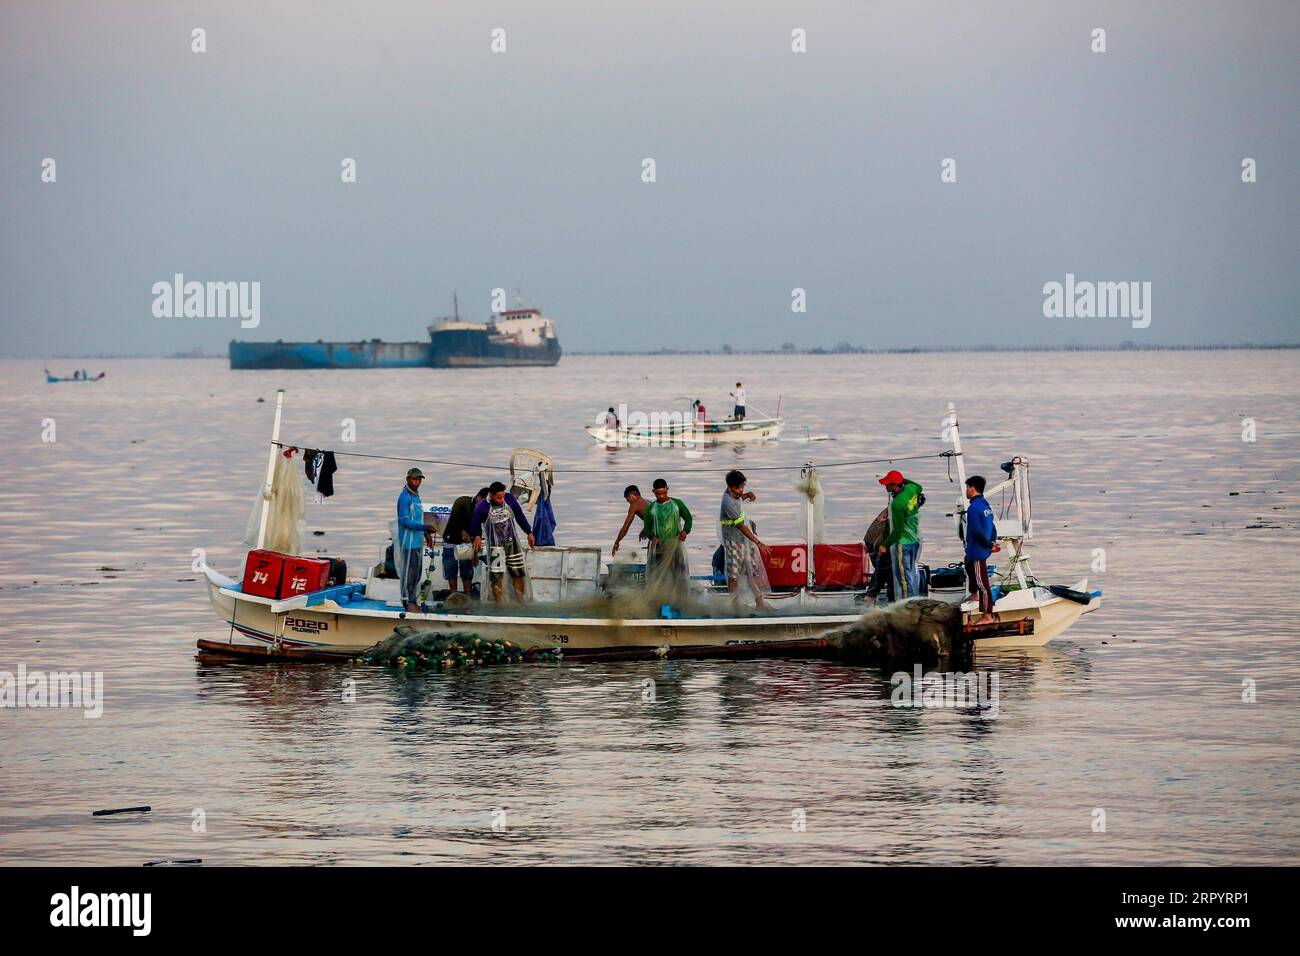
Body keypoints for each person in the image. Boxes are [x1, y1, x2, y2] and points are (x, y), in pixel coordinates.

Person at [471, 481, 536, 602]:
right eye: (498, 497)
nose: (502, 499)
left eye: (503, 496)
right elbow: (475, 523)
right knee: (496, 577)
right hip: (495, 547)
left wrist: (529, 532)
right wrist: (477, 536)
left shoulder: (510, 499)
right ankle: (499, 603)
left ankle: (520, 600)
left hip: (513, 544)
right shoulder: (482, 507)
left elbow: (519, 516)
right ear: (491, 495)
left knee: (518, 573)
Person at [719, 470, 771, 609]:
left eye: (743, 486)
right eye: (738, 488)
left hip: (744, 539)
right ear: (730, 488)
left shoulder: (735, 494)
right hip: (733, 540)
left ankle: (760, 603)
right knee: (734, 574)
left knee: (752, 570)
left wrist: (746, 495)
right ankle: (734, 605)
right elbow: (741, 526)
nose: (741, 490)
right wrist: (758, 542)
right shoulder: (728, 502)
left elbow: (739, 496)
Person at [878, 469, 923, 601]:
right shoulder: (911, 489)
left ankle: (908, 605)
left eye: (888, 484)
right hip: (914, 540)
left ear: (894, 485)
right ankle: (914, 600)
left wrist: (885, 545)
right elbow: (919, 487)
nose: (885, 486)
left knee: (903, 577)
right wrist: (902, 480)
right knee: (911, 574)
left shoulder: (898, 504)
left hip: (903, 543)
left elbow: (897, 531)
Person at [644, 478, 692, 598]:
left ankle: (681, 599)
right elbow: (647, 528)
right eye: (658, 494)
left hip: (675, 546)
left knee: (679, 573)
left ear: (667, 489)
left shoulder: (677, 504)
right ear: (653, 492)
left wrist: (685, 531)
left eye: (663, 493)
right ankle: (660, 599)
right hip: (659, 547)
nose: (661, 496)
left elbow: (689, 519)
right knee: (658, 575)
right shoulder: (651, 509)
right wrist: (652, 537)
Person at [963, 475, 1001, 625]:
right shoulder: (986, 505)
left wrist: (988, 545)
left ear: (972, 488)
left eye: (967, 487)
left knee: (982, 584)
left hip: (978, 551)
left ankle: (987, 615)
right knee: (967, 564)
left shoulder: (973, 508)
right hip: (974, 551)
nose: (966, 490)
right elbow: (993, 528)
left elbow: (977, 531)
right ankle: (974, 595)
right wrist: (992, 541)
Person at [395, 467, 433, 612]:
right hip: (408, 542)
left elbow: (417, 517)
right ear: (408, 479)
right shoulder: (405, 497)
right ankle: (408, 603)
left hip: (417, 541)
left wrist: (426, 534)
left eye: (419, 479)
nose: (417, 482)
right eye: (414, 479)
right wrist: (425, 527)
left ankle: (413, 601)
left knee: (417, 573)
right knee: (409, 574)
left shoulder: (416, 496)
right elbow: (404, 522)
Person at [441, 487, 488, 594]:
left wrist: (475, 554)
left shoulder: (483, 511)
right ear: (478, 497)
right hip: (451, 540)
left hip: (466, 544)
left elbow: (478, 531)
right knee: (450, 568)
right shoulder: (462, 502)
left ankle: (467, 593)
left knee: (466, 568)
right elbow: (453, 520)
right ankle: (453, 593)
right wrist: (463, 532)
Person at [863, 505, 893, 604]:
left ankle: (875, 595)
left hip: (877, 538)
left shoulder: (899, 502)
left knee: (886, 570)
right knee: (885, 567)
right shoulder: (900, 506)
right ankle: (871, 596)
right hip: (876, 541)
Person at [612, 484, 650, 556]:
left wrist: (617, 542)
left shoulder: (634, 505)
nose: (628, 502)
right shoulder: (647, 501)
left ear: (631, 495)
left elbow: (625, 527)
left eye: (627, 499)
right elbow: (653, 518)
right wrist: (645, 528)